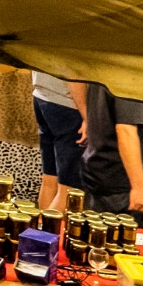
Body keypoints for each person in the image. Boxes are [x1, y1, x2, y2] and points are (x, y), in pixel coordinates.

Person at [80, 84, 143, 230]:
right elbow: (125, 130)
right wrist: (139, 186)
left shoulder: (107, 65)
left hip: (108, 179)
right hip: (127, 190)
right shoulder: (130, 75)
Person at [33, 71, 93, 209]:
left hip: (42, 96)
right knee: (68, 190)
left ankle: (43, 229)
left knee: (50, 179)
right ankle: (45, 231)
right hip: (68, 105)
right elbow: (74, 72)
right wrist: (86, 116)